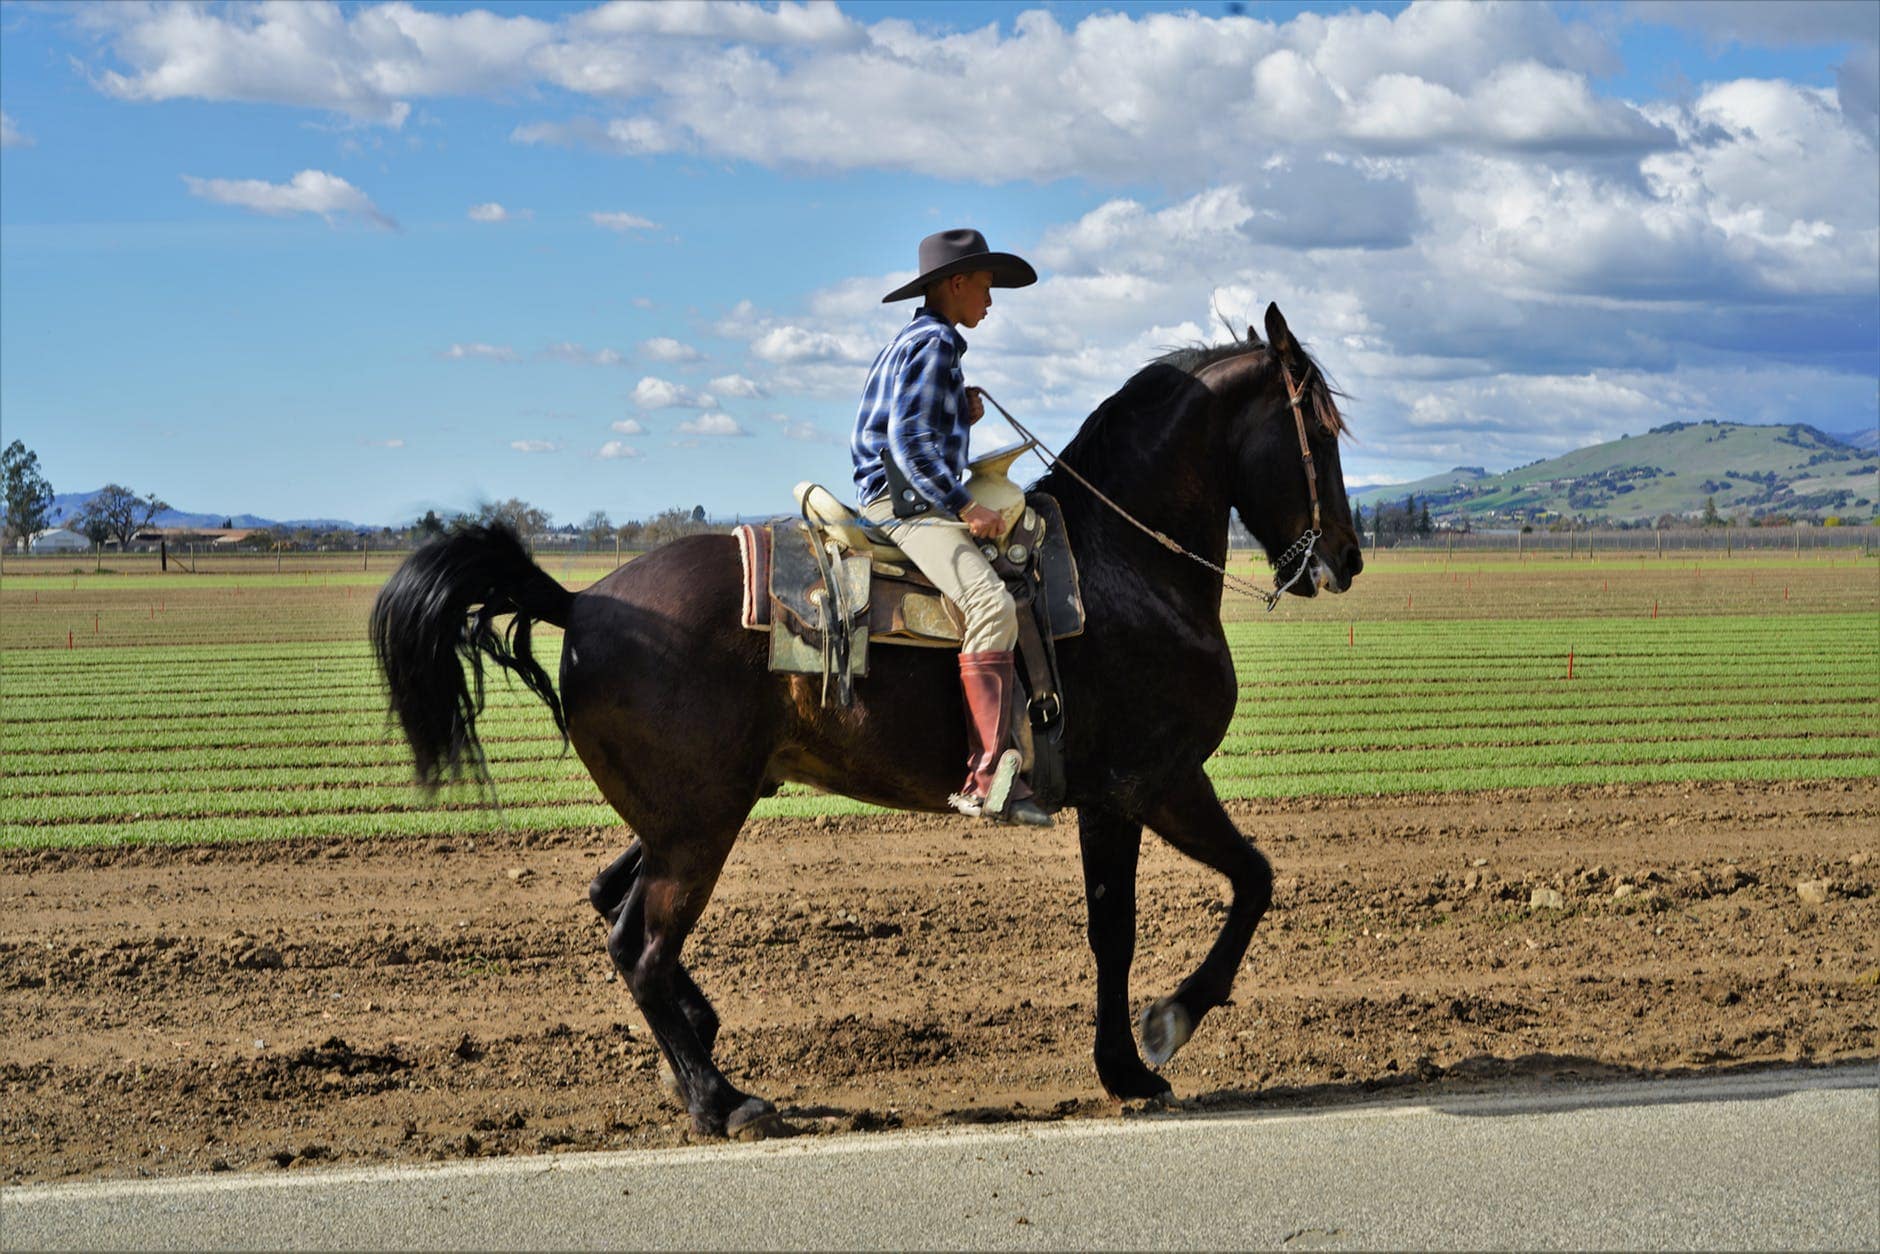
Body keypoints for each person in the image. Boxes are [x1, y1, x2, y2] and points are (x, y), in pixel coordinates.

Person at [852, 228, 1052, 828]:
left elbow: (912, 427)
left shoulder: (917, 339)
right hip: (902, 504)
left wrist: (958, 412)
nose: (990, 300)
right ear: (957, 283)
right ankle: (987, 778)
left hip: (899, 494)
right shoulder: (936, 343)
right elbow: (908, 444)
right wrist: (966, 507)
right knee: (991, 604)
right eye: (986, 287)